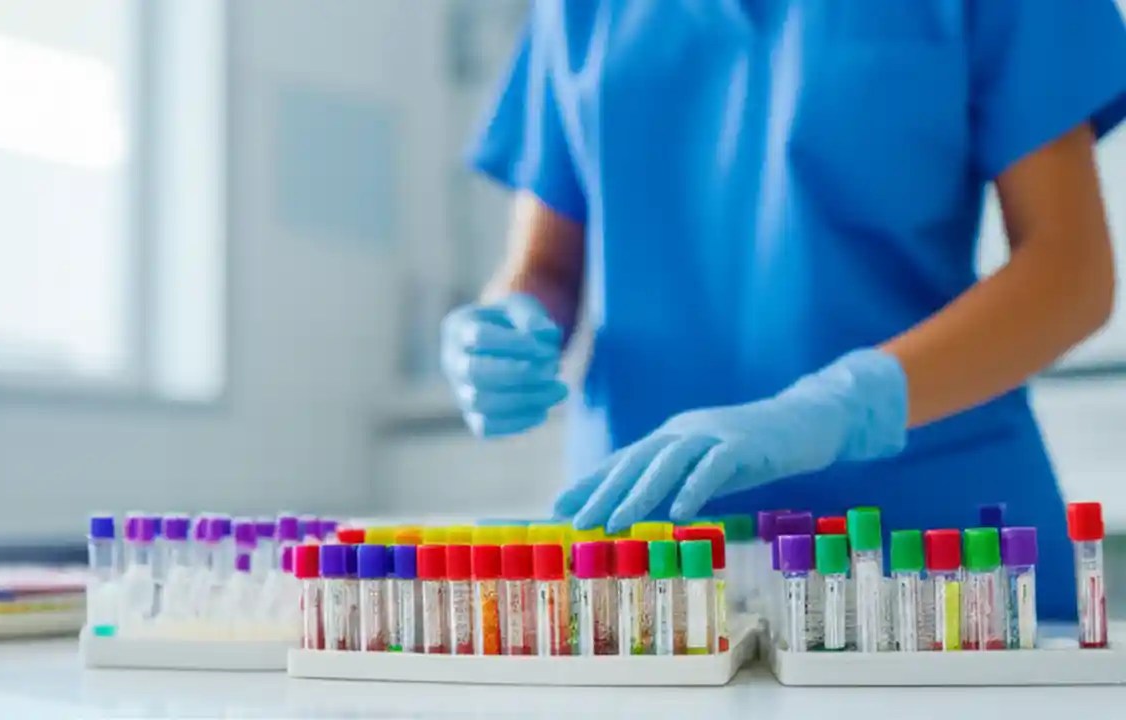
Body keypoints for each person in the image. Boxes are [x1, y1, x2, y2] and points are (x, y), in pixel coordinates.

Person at [439, 1, 1126, 619]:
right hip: (647, 566)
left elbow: (1070, 272)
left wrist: (847, 403)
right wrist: (508, 327)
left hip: (939, 563)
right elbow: (545, 267)